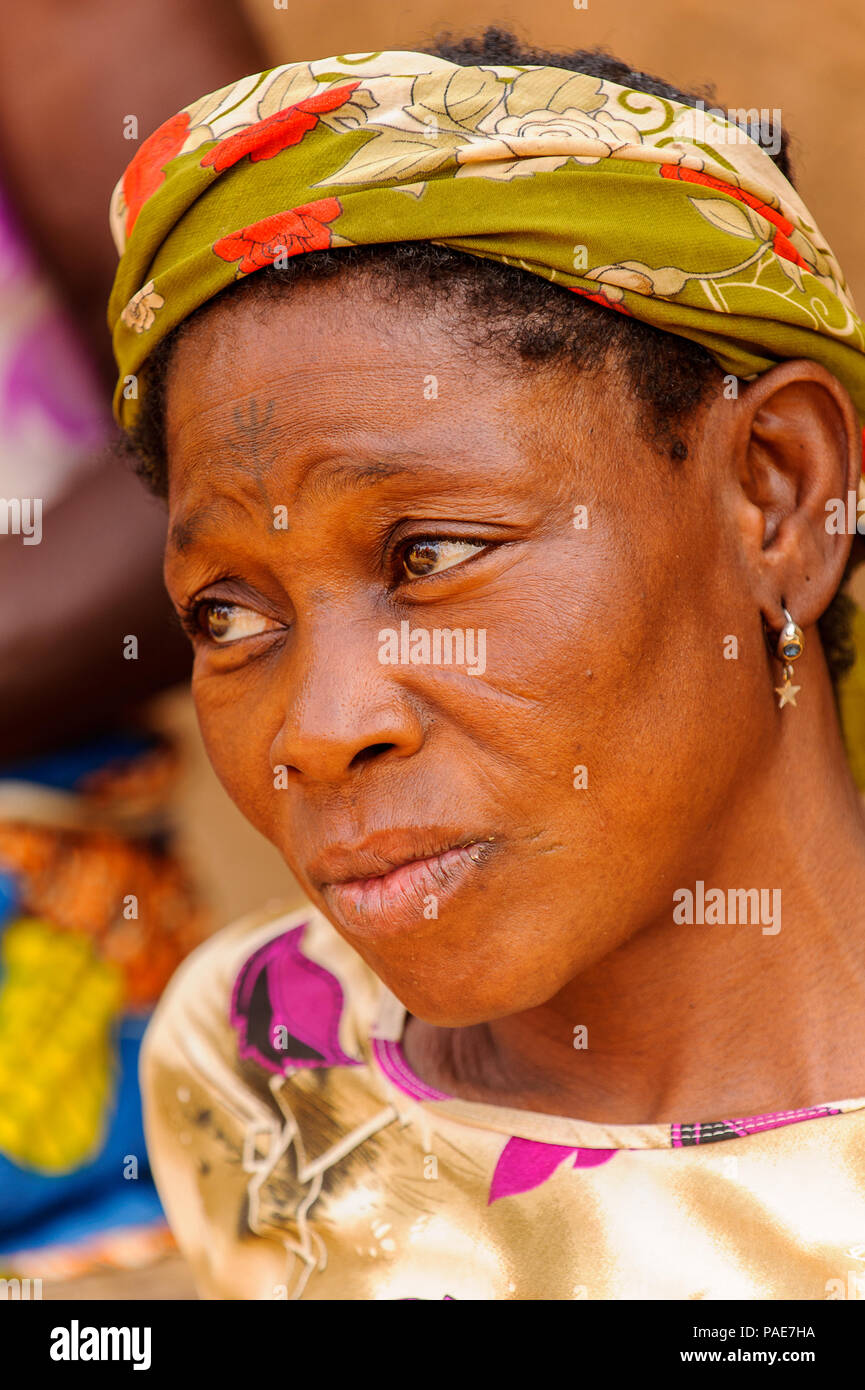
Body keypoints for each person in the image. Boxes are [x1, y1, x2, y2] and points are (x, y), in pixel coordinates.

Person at [106, 28, 865, 1299]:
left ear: (774, 497)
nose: (316, 728)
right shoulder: (261, 1054)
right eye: (228, 614)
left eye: (434, 551)